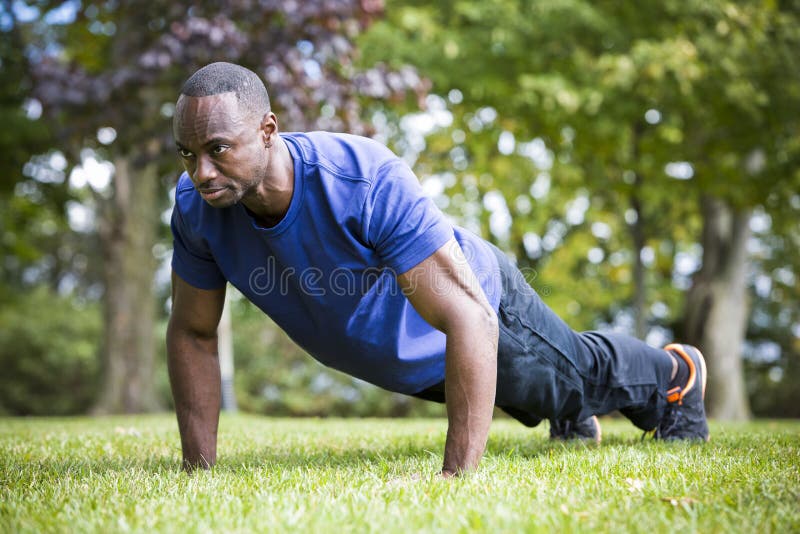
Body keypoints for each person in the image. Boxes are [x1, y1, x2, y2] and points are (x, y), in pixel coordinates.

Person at [167, 62, 709, 476]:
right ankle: (570, 415)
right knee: (548, 394)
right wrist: (199, 471)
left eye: (218, 149)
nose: (201, 172)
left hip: (479, 309)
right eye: (187, 155)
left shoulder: (361, 180)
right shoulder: (197, 208)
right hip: (416, 356)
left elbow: (470, 318)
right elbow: (193, 333)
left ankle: (674, 374)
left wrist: (455, 479)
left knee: (578, 378)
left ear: (267, 129)